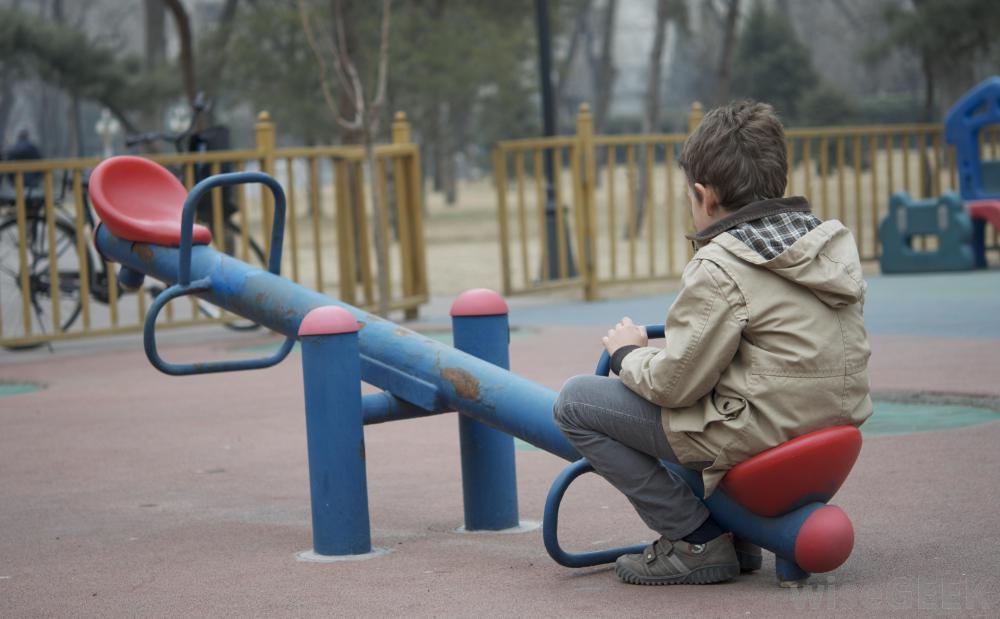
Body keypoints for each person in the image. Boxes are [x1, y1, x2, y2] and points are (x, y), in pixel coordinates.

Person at [552, 100, 872, 586]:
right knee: (712, 396)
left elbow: (675, 384)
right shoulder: (827, 247)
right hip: (830, 427)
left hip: (759, 434)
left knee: (576, 401)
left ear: (704, 196)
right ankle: (734, 533)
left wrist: (626, 354)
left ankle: (694, 539)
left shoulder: (722, 263)